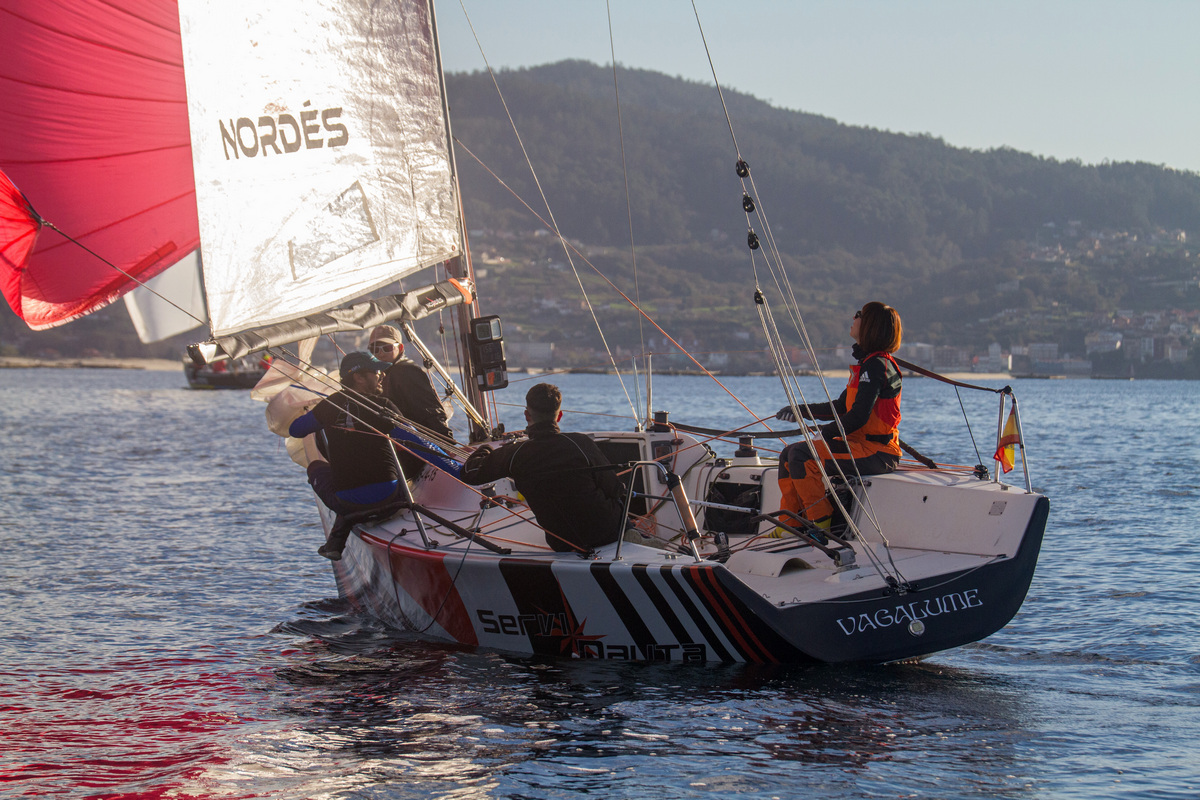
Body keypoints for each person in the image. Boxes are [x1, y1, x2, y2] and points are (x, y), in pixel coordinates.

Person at [775, 301, 903, 530]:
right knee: (788, 454)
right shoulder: (868, 364)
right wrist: (801, 410)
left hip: (878, 453)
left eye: (858, 315)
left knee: (802, 455)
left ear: (871, 325)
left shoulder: (878, 366)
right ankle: (789, 525)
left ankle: (820, 522)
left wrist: (825, 433)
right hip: (857, 446)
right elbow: (841, 407)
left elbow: (859, 416)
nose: (853, 318)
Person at [461, 383, 626, 553]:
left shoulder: (514, 454)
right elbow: (616, 489)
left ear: (527, 415)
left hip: (563, 543)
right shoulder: (581, 443)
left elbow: (469, 473)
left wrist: (486, 449)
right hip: (610, 531)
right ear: (559, 415)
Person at [289, 351, 408, 558]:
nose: (381, 375)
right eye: (376, 372)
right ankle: (343, 526)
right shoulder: (384, 407)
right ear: (358, 377)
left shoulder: (330, 405)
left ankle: (342, 525)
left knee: (315, 467)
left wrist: (319, 413)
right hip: (390, 499)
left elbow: (295, 430)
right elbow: (415, 440)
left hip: (349, 504)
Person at [368, 324, 454, 442]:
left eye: (387, 348)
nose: (380, 353)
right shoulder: (384, 373)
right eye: (375, 349)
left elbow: (429, 409)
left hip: (417, 442)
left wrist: (445, 440)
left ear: (400, 348)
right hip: (399, 440)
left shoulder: (406, 372)